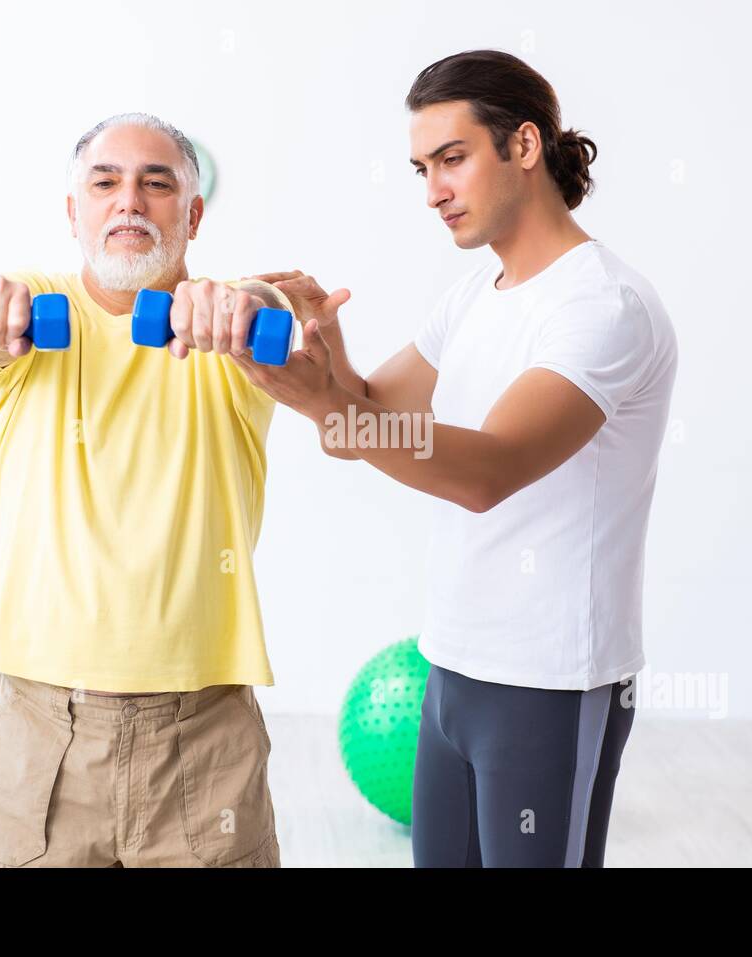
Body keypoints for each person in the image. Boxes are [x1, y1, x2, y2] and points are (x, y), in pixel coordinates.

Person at [224, 51, 679, 866]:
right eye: (421, 168)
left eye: (452, 159)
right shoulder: (475, 295)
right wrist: (323, 363)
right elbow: (357, 425)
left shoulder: (602, 307)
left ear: (526, 146)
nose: (432, 189)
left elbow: (484, 472)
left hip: (554, 682)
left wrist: (334, 404)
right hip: (452, 664)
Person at [0, 112, 295, 867]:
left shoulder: (224, 328)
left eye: (157, 183)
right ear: (73, 212)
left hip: (203, 736)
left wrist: (257, 301)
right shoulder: (36, 316)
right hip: (40, 730)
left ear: (194, 215)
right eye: (104, 183)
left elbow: (269, 306)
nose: (129, 202)